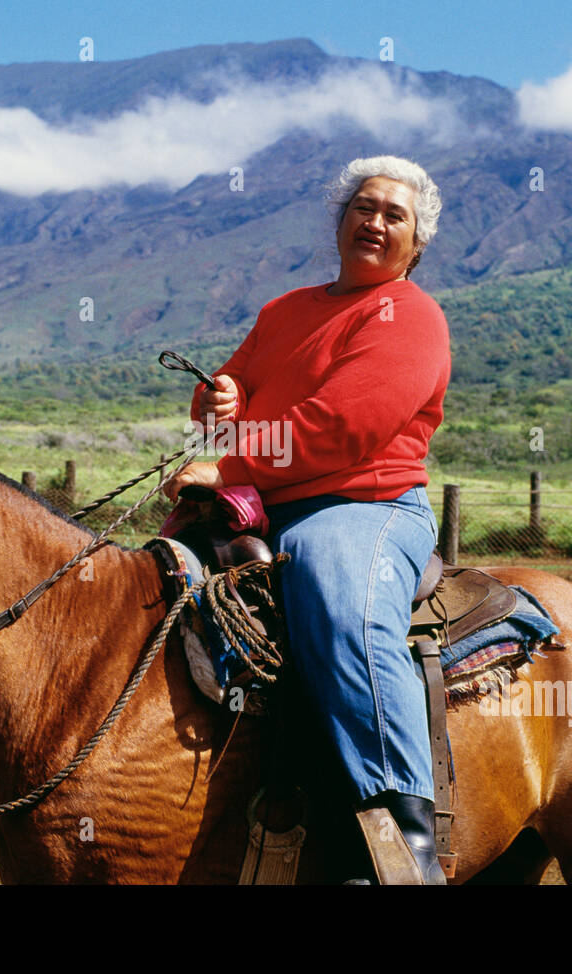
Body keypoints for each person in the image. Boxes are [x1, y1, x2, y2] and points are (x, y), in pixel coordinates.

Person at [165, 155, 451, 883]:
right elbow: (231, 398)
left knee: (337, 596)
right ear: (340, 221)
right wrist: (219, 402)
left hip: (362, 504)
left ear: (416, 244)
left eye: (395, 215)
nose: (375, 221)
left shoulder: (411, 317)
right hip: (263, 501)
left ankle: (399, 834)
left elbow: (341, 427)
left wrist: (228, 465)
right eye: (364, 207)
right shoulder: (286, 310)